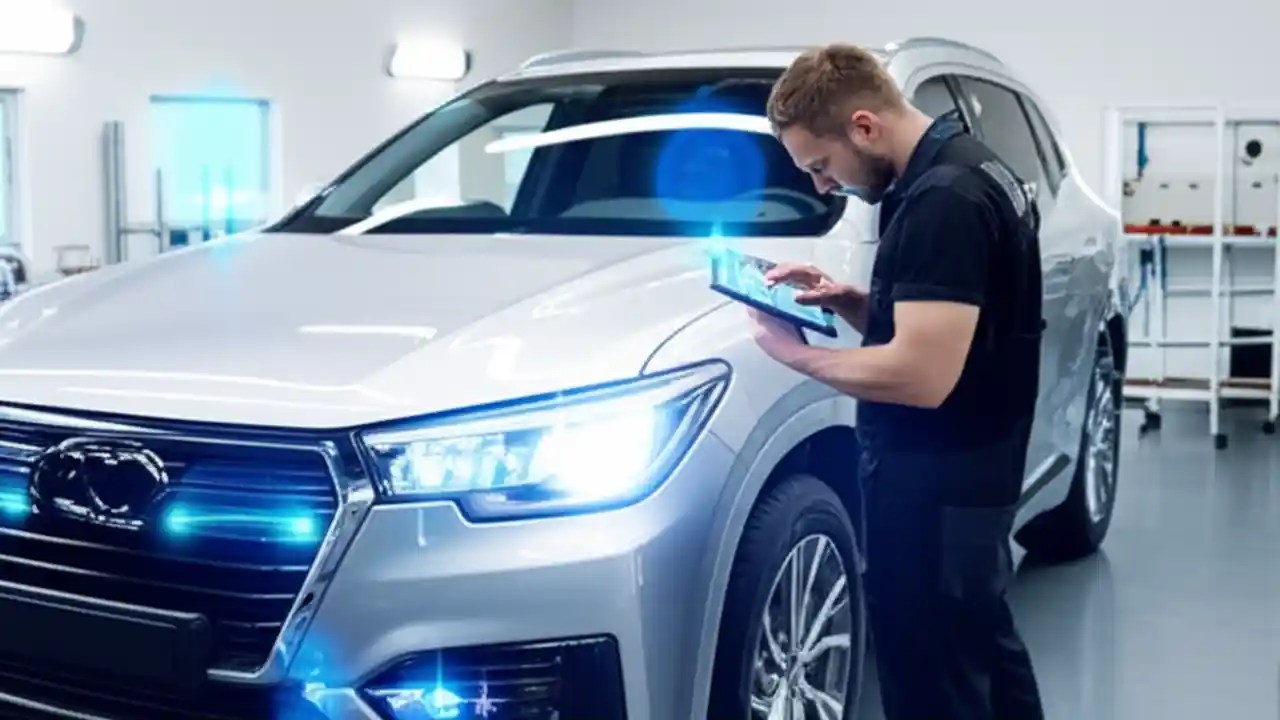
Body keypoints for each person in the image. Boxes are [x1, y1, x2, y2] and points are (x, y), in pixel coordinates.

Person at [749, 43, 1048, 720]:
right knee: (983, 653)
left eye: (821, 167)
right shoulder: (965, 169)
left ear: (863, 125)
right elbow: (963, 322)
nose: (824, 187)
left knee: (932, 676)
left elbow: (921, 377)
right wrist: (853, 302)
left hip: (935, 491)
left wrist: (792, 355)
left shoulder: (944, 201)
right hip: (972, 477)